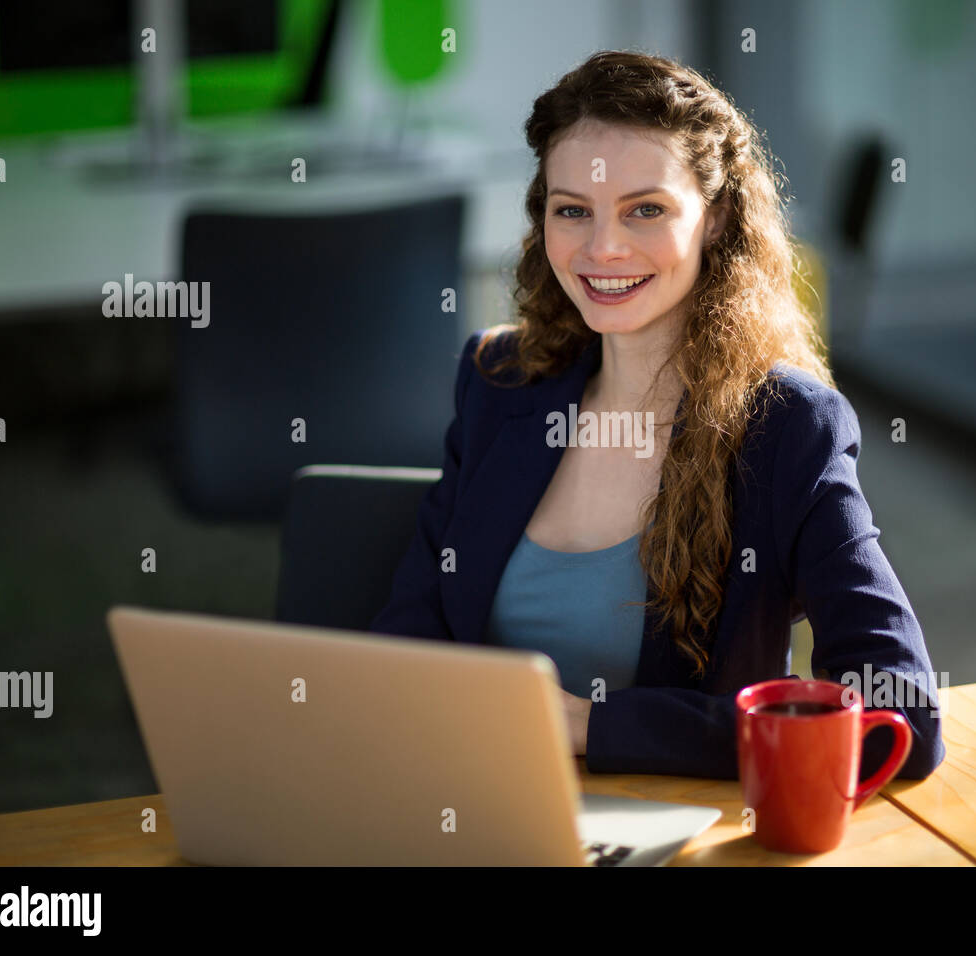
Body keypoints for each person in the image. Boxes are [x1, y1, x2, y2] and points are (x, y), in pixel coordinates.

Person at [370, 50, 945, 781]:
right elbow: (408, 640)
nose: (603, 248)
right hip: (473, 801)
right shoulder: (499, 381)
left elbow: (901, 717)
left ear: (717, 218)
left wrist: (591, 725)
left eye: (647, 209)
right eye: (571, 210)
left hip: (666, 831)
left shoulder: (789, 427)